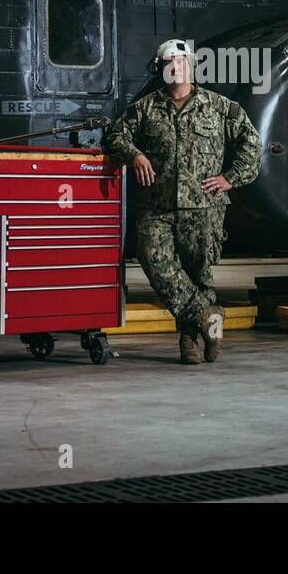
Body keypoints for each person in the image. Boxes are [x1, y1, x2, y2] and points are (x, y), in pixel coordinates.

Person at [104, 39, 262, 365]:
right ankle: (208, 316)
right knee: (154, 261)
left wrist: (231, 178)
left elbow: (252, 142)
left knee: (198, 275)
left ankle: (191, 342)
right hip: (156, 207)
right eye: (169, 62)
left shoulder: (220, 107)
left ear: (191, 65)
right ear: (161, 68)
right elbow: (114, 136)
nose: (176, 67)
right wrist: (134, 155)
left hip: (204, 207)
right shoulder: (145, 108)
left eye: (182, 61)